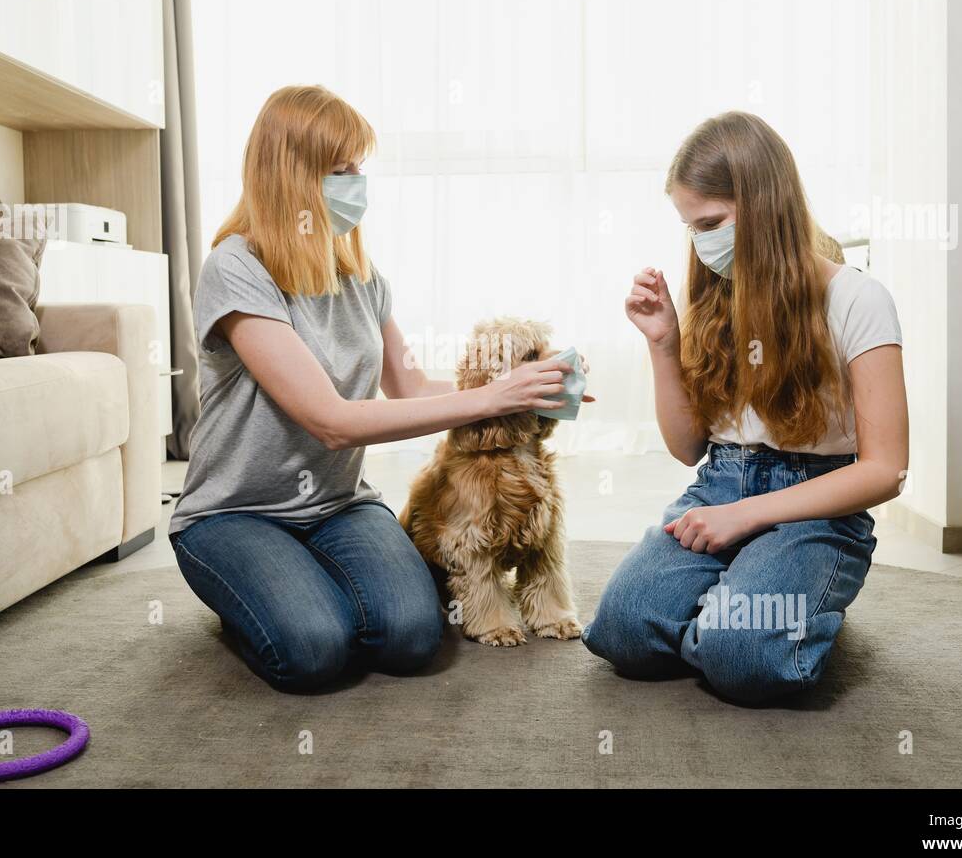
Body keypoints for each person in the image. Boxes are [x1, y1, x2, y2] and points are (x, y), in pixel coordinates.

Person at [168, 85, 576, 693]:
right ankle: (259, 590)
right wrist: (492, 398)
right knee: (314, 653)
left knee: (412, 637)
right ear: (291, 176)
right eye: (341, 170)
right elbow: (331, 420)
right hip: (237, 514)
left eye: (359, 168)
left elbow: (410, 387)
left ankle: (303, 582)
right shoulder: (236, 270)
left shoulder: (361, 276)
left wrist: (530, 389)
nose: (357, 184)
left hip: (337, 506)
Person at [582, 111, 909, 704]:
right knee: (621, 633)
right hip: (721, 481)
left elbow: (886, 470)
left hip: (818, 499)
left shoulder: (859, 299)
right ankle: (753, 599)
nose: (701, 244)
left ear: (765, 203)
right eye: (690, 228)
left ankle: (785, 604)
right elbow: (688, 449)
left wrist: (750, 516)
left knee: (742, 660)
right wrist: (662, 342)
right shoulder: (712, 298)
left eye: (710, 223)